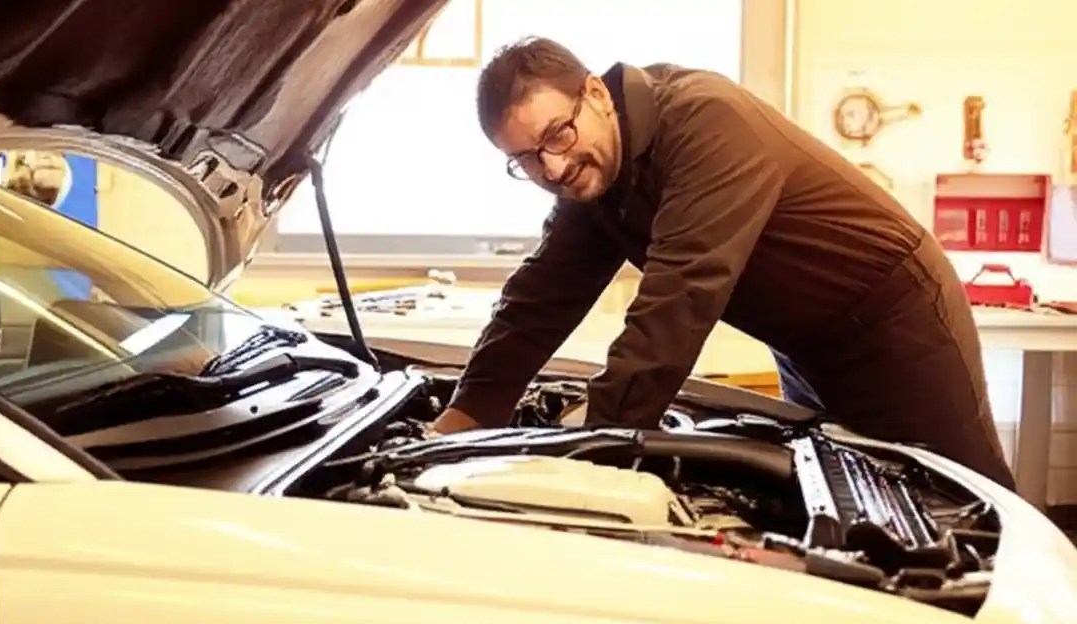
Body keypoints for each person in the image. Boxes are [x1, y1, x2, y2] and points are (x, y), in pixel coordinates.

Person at [431, 36, 1017, 490]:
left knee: (966, 504)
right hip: (803, 344)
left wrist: (592, 448)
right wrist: (465, 413)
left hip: (896, 322)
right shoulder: (594, 173)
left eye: (556, 136)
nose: (551, 169)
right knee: (853, 503)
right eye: (525, 160)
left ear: (597, 96)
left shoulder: (705, 122)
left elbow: (679, 299)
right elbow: (538, 299)